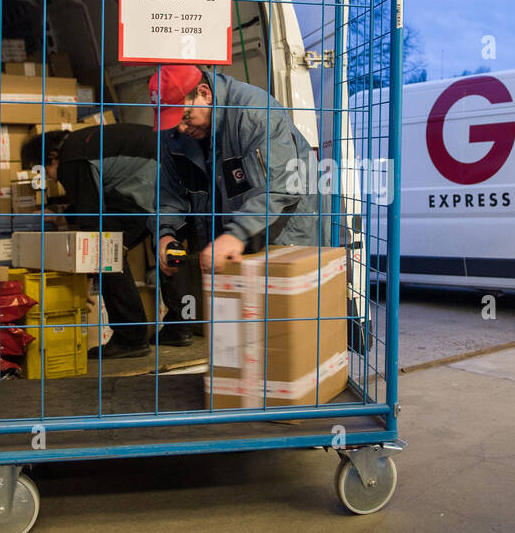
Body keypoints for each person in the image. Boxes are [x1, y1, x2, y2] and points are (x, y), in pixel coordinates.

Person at [21, 122, 192, 359]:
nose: (49, 178)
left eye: (43, 169)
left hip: (151, 182)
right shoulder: (84, 142)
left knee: (103, 248)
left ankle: (130, 338)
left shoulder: (71, 158)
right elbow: (101, 196)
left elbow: (94, 218)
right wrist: (64, 214)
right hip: (180, 176)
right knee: (170, 245)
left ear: (51, 156)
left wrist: (88, 270)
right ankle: (181, 325)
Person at [149, 63, 319, 279]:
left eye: (186, 116)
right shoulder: (175, 135)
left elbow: (278, 188)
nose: (181, 128)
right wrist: (165, 233)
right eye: (173, 122)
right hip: (228, 245)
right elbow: (169, 195)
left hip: (282, 238)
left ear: (205, 93)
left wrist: (235, 234)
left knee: (276, 309)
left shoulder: (254, 114)